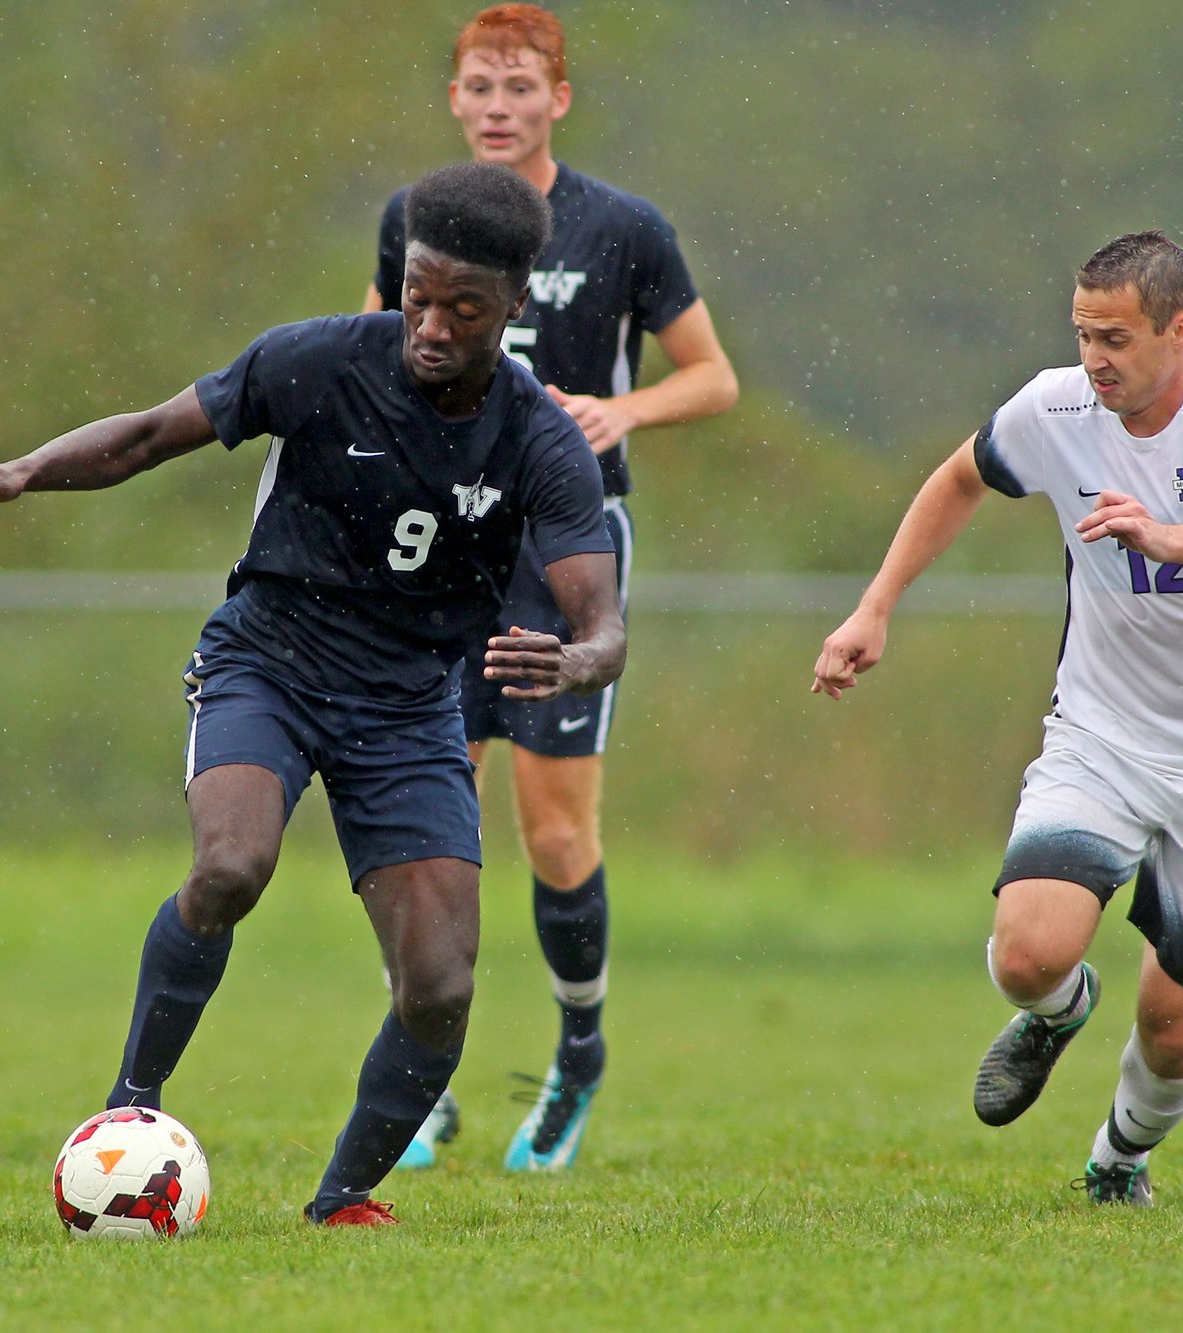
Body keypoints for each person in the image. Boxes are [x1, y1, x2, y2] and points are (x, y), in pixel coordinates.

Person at [0, 162, 626, 1227]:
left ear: (513, 307)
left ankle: (341, 1198)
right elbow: (146, 435)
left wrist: (575, 661)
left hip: (408, 707)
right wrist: (24, 469)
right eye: (418, 296)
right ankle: (126, 1112)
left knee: (441, 986)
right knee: (230, 866)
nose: (431, 326)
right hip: (268, 662)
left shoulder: (539, 437)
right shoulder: (319, 359)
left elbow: (602, 623)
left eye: (463, 308)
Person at [813, 232, 1183, 1205]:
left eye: (1115, 338)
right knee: (1026, 955)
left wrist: (1169, 536)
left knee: (1174, 1029)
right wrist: (873, 607)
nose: (1093, 358)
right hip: (1102, 732)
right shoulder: (1053, 407)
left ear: (1179, 331)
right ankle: (1058, 1011)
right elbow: (958, 478)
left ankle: (1116, 1160)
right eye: (1082, 334)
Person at [363, 3, 738, 1172]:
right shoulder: (413, 219)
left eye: (518, 85)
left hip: (563, 547)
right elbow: (372, 351)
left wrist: (623, 410)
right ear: (453, 98)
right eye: (478, 85)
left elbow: (712, 377)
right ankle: (422, 1072)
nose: (496, 106)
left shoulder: (622, 227)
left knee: (554, 827)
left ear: (556, 99)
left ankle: (577, 1054)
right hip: (440, 544)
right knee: (426, 811)